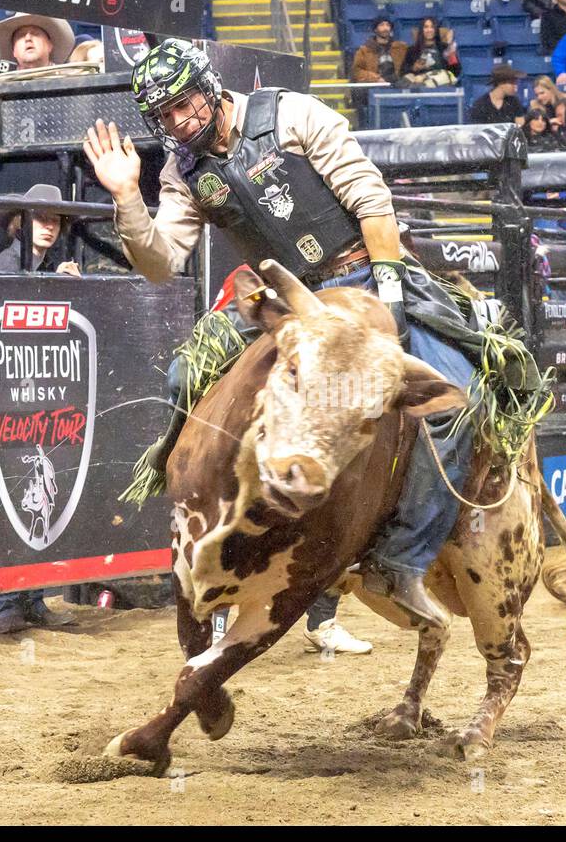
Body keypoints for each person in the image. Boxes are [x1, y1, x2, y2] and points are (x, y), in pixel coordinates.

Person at [83, 38, 480, 628]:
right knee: (187, 374)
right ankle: (217, 534)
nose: (179, 120)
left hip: (366, 271)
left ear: (210, 89)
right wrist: (125, 198)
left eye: (185, 103)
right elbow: (163, 261)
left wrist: (392, 293)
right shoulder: (179, 172)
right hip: (284, 302)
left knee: (453, 397)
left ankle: (401, 556)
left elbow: (370, 197)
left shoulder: (293, 115)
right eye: (164, 115)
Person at [0, 183, 81, 635]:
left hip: (31, 401)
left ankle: (29, 600)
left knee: (35, 498)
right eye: (40, 217)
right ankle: (10, 605)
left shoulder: (33, 266)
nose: (48, 226)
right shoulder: (8, 266)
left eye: (55, 219)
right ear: (19, 223)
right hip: (12, 403)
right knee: (19, 498)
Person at [0, 11, 75, 69]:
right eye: (21, 36)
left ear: (50, 45)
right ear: (14, 51)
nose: (28, 38)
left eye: (35, 34)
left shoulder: (72, 82)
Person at [400, 17, 462, 88]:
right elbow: (402, 72)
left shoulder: (444, 47)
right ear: (422, 30)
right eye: (426, 27)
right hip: (419, 80)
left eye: (432, 27)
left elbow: (456, 72)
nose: (429, 30)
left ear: (436, 30)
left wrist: (450, 53)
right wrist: (414, 68)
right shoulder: (412, 50)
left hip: (440, 82)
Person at [351, 17, 407, 87]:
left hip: (398, 84)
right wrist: (376, 78)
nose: (385, 28)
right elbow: (357, 71)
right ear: (375, 29)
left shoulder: (401, 47)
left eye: (388, 25)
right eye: (381, 25)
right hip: (375, 85)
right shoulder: (364, 50)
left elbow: (408, 66)